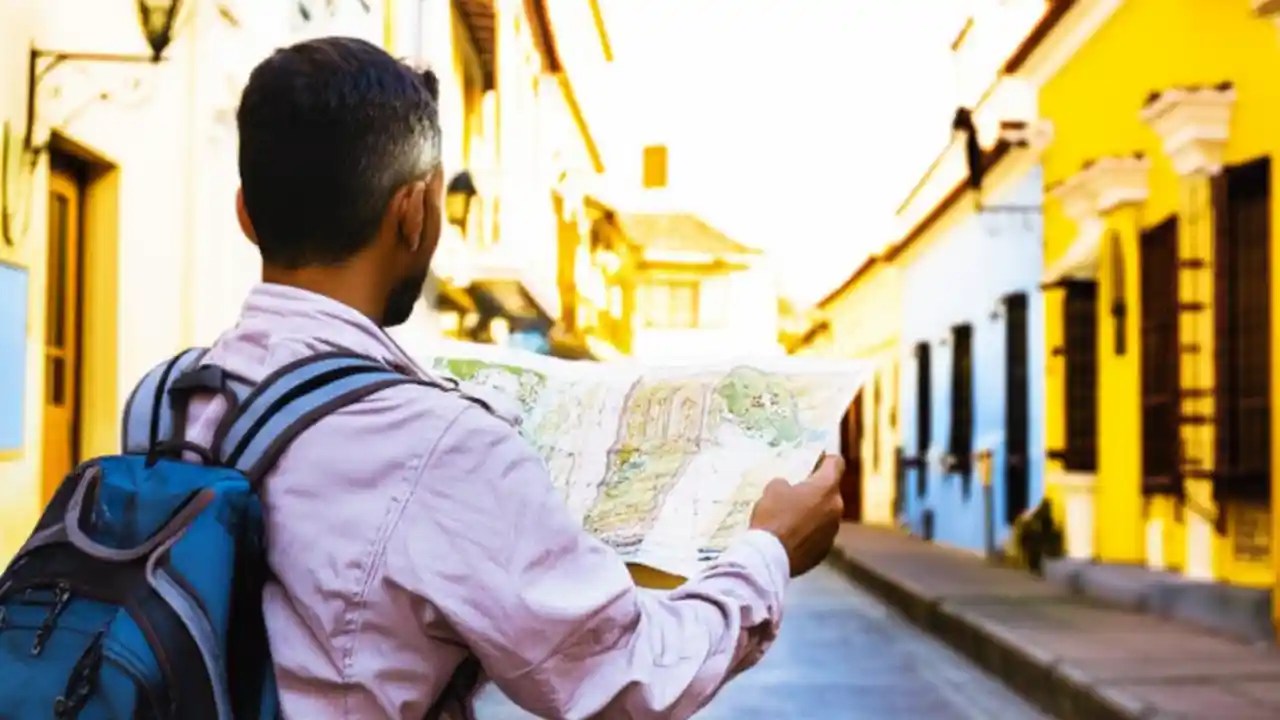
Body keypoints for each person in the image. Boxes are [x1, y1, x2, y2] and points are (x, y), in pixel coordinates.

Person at [186, 36, 846, 719]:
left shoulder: (171, 393)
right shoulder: (440, 443)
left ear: (245, 212)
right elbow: (627, 676)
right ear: (411, 211)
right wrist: (768, 551)